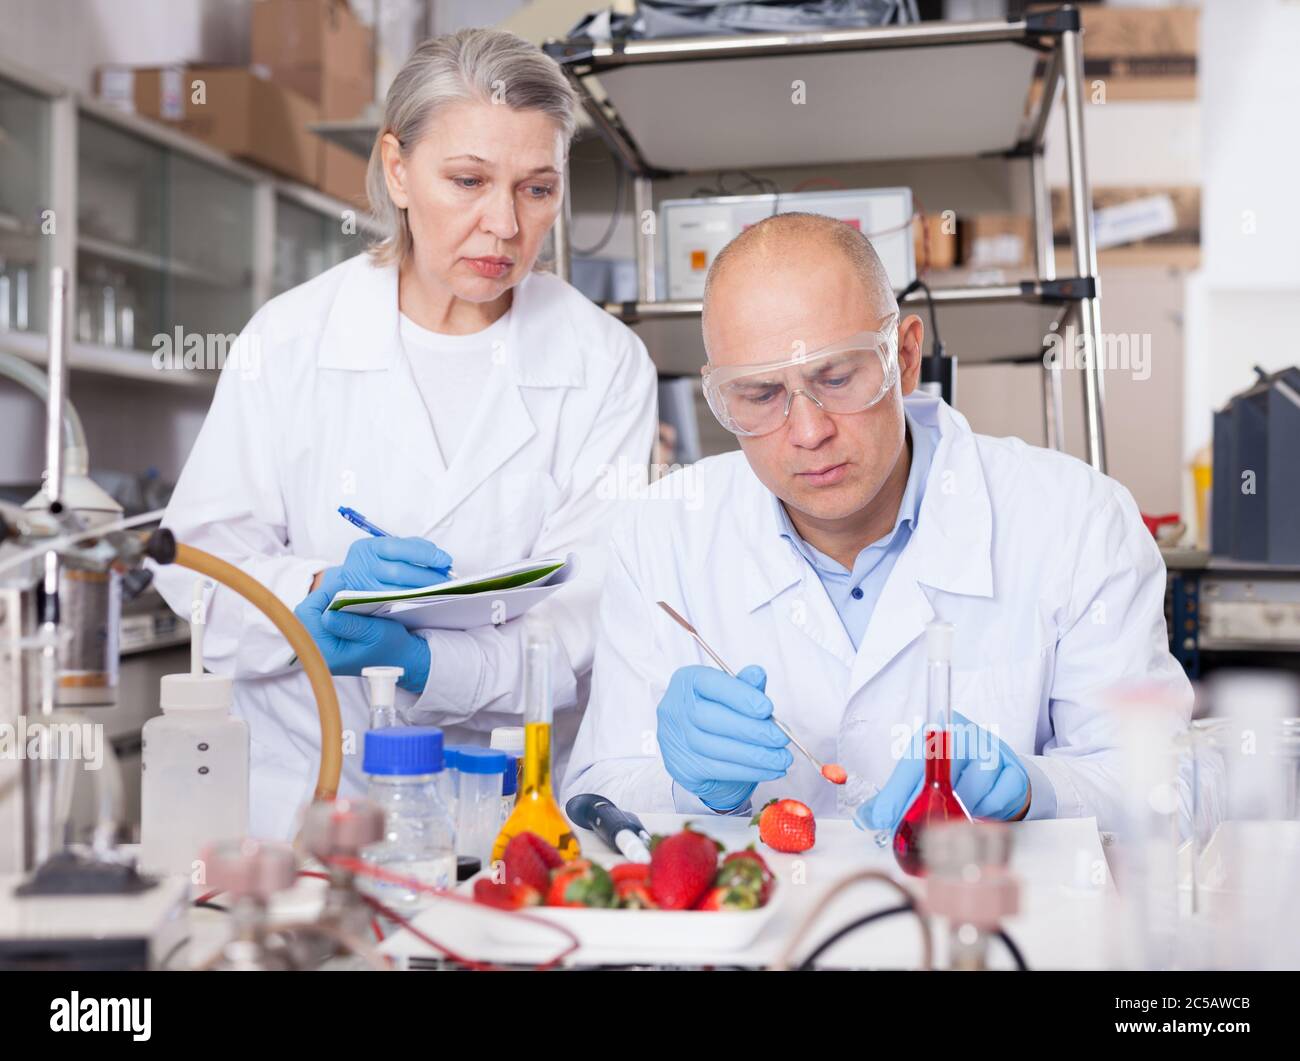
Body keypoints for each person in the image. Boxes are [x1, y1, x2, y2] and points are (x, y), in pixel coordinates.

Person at [153, 29, 657, 839]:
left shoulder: (603, 363)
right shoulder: (289, 338)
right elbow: (198, 565)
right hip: (305, 809)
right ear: (397, 168)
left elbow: (585, 618)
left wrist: (429, 664)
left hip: (508, 822)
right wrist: (312, 594)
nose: (502, 224)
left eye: (537, 188)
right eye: (467, 180)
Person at [564, 212, 1191, 835]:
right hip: (761, 930)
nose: (808, 432)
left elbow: (1171, 796)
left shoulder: (1077, 521)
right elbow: (595, 795)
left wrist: (1036, 791)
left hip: (987, 920)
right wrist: (689, 786)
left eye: (836, 378)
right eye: (759, 395)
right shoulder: (661, 535)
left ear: (905, 356)